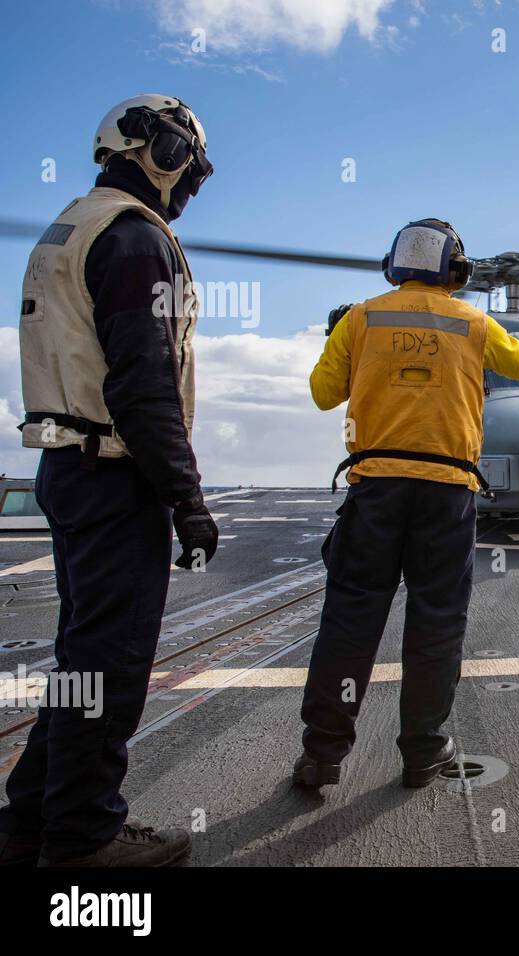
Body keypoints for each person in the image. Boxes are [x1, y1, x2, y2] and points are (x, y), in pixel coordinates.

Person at [0, 95, 218, 868]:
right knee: (111, 667)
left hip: (65, 466)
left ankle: (28, 818)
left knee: (80, 660)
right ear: (158, 150)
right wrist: (187, 499)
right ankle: (83, 838)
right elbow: (144, 383)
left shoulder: (70, 226)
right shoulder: (134, 240)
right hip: (114, 472)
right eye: (186, 165)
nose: (188, 184)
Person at [295, 219, 519, 790]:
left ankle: (322, 756)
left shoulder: (361, 317)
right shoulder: (474, 322)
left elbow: (325, 394)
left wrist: (338, 338)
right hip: (448, 494)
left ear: (392, 267)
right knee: (436, 624)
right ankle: (423, 753)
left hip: (374, 490)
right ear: (457, 271)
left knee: (349, 621)